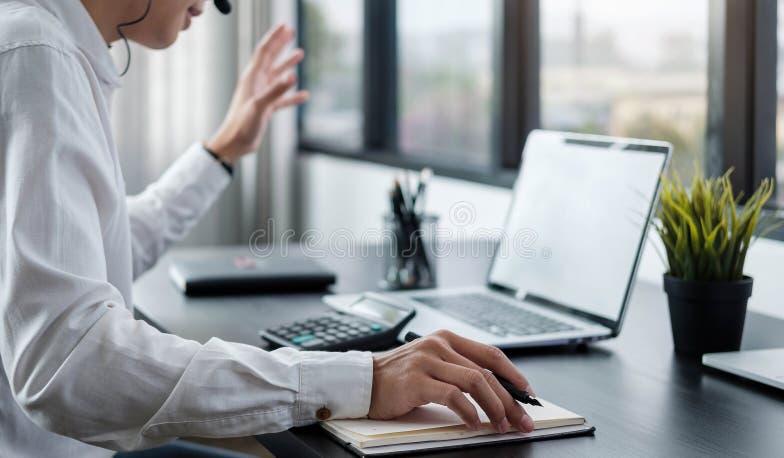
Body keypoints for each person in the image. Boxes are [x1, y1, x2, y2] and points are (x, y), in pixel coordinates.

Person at [0, 1, 537, 456]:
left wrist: (225, 149)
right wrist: (360, 380)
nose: (212, 5)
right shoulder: (37, 55)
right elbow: (65, 362)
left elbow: (103, 244)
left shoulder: (47, 47)